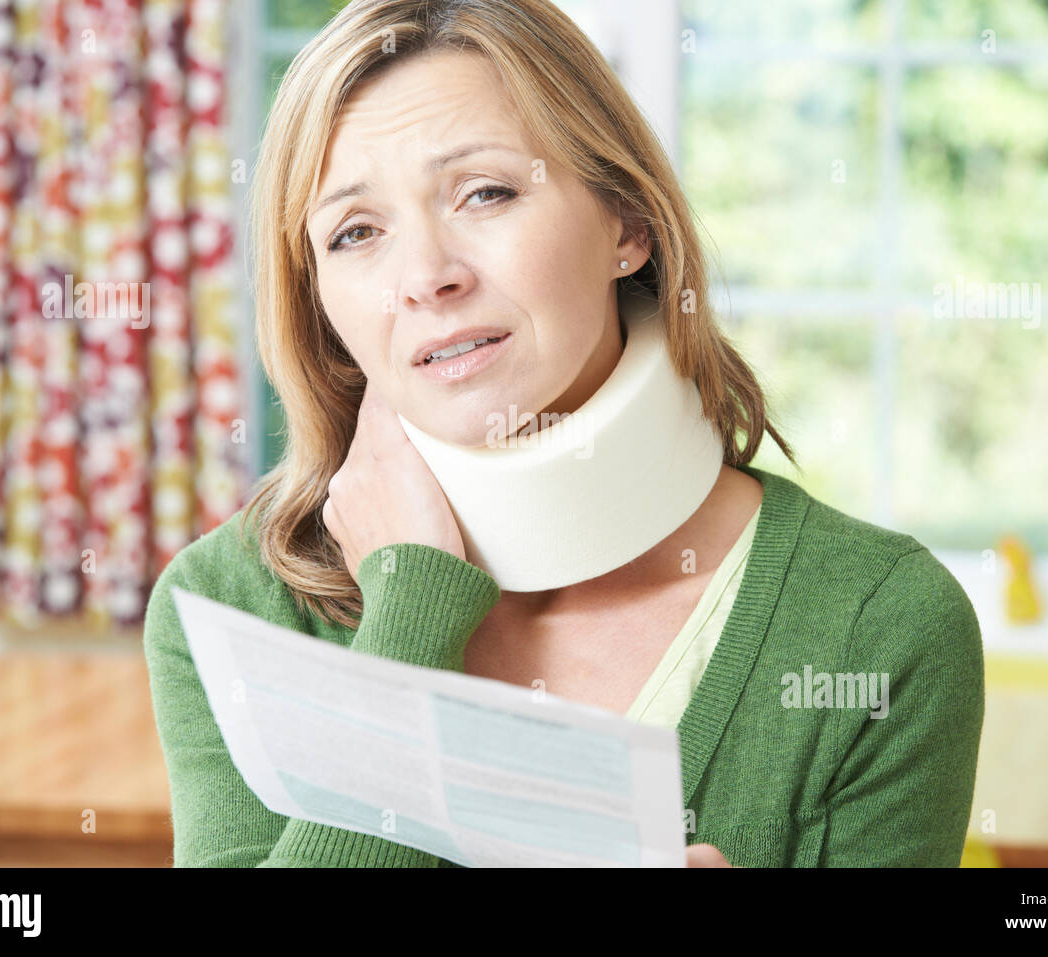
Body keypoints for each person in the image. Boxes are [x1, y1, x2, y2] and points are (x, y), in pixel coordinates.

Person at [143, 0, 984, 868]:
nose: (428, 277)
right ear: (318, 298)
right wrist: (413, 612)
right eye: (357, 232)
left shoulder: (882, 628)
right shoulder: (226, 608)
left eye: (486, 192)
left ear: (626, 222)